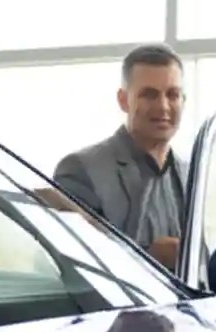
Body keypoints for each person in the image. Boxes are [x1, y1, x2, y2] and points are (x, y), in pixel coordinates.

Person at [53, 44, 188, 272]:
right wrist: (150, 255)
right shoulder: (80, 170)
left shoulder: (191, 175)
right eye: (149, 94)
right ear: (123, 100)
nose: (163, 106)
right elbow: (73, 264)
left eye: (172, 95)